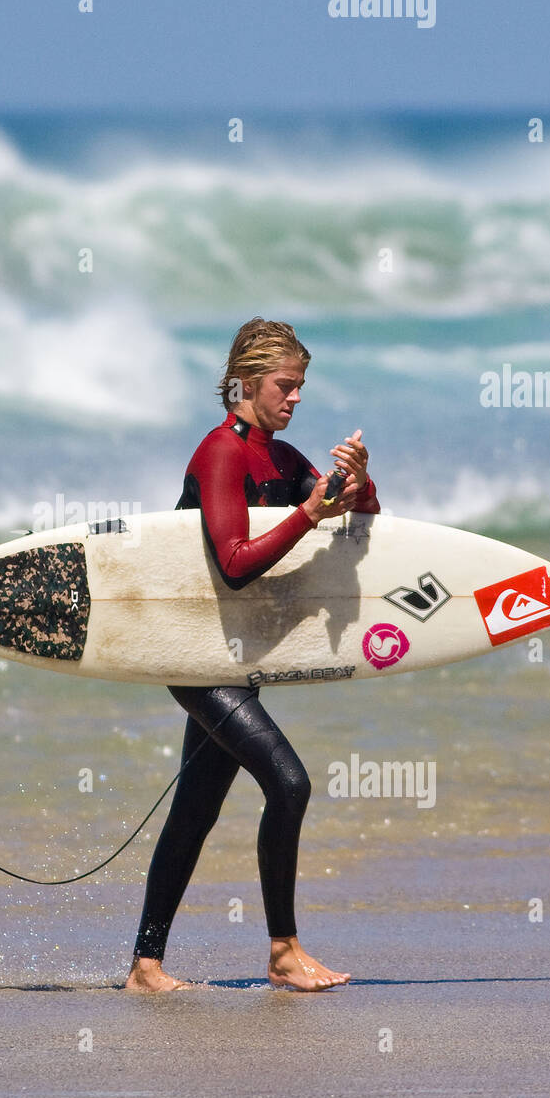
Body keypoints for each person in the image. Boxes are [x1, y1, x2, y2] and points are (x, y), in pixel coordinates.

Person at [123, 318, 380, 993]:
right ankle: (283, 951)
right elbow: (234, 564)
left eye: (300, 388)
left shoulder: (283, 460)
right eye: (285, 386)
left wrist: (357, 483)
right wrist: (308, 515)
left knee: (195, 811)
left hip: (232, 656)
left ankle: (145, 967)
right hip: (192, 650)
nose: (295, 399)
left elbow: (360, 525)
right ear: (245, 383)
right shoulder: (222, 454)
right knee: (289, 782)